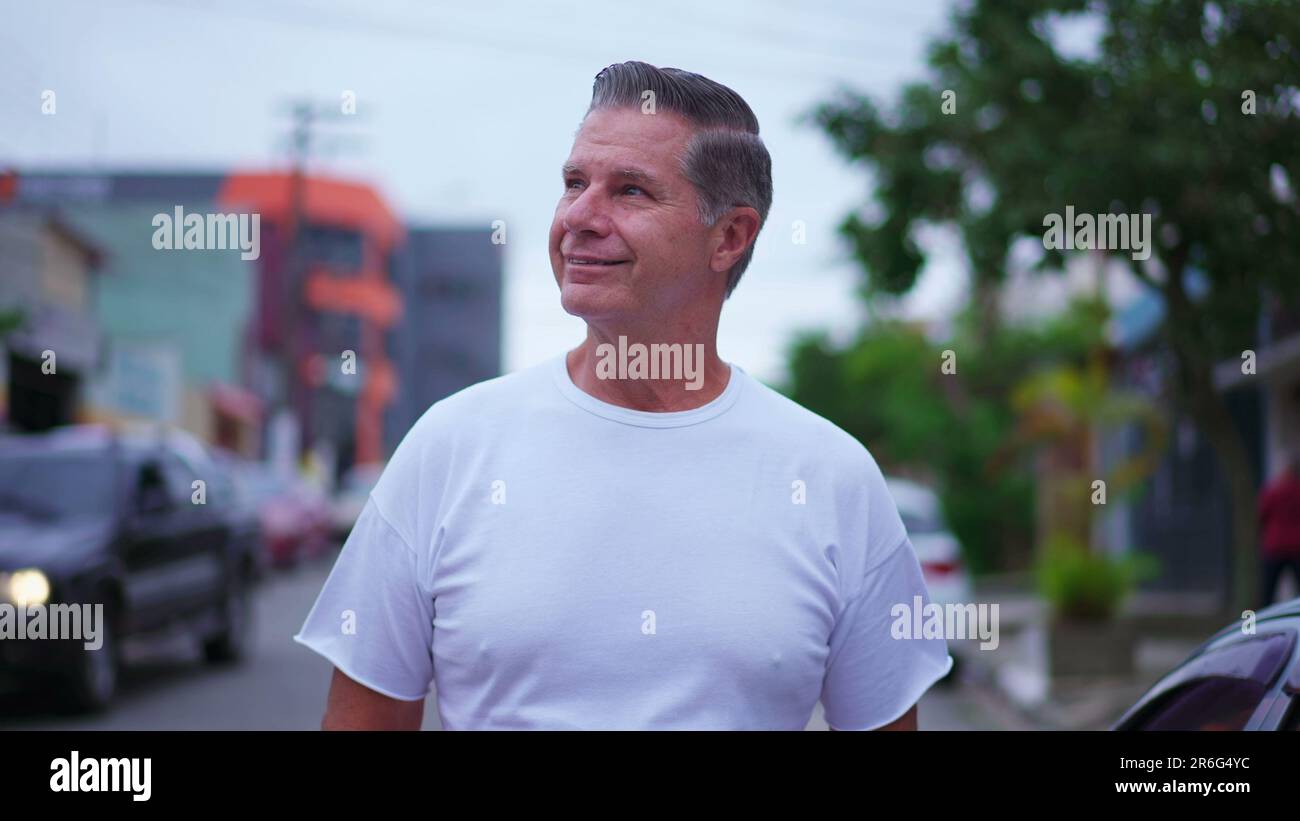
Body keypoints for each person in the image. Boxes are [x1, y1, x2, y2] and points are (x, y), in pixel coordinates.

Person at [294, 61, 952, 730]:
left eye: (630, 190)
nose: (579, 215)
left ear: (729, 236)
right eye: (574, 183)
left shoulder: (831, 477)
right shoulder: (449, 445)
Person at [1258, 451, 1300, 608]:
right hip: (1297, 546)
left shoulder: (1274, 490)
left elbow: (1262, 514)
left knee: (1268, 592)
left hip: (1275, 546)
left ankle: (1259, 623)